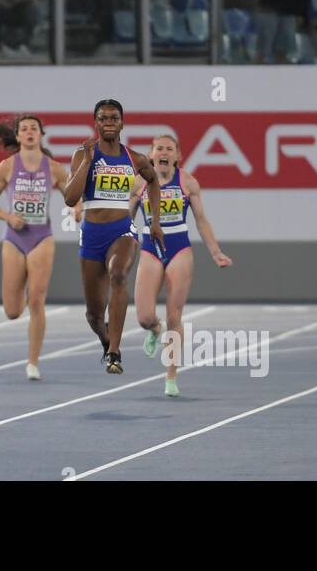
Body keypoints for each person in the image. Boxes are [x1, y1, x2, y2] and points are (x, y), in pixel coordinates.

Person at [62, 98, 161, 374]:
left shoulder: (134, 158)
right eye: (103, 118)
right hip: (92, 234)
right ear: (96, 123)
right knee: (94, 314)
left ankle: (115, 353)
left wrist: (154, 221)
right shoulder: (83, 154)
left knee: (118, 275)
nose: (108, 123)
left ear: (122, 123)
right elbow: (70, 199)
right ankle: (106, 340)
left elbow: (153, 181)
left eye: (113, 118)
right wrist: (88, 162)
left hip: (122, 230)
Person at [132, 135, 231, 397]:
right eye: (159, 148)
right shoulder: (139, 182)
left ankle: (171, 376)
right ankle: (155, 329)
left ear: (177, 156)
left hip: (179, 248)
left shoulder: (187, 182)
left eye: (169, 149)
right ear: (151, 155)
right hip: (150, 248)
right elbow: (125, 220)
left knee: (175, 316)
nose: (164, 153)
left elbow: (201, 220)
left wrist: (216, 252)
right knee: (143, 316)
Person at [0, 115, 70, 380]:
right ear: (18, 136)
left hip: (42, 237)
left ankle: (33, 362)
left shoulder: (54, 168)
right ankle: (17, 291)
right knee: (12, 311)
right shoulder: (7, 166)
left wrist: (76, 209)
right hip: (14, 238)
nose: (30, 132)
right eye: (24, 129)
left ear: (41, 135)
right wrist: (8, 217)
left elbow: (72, 196)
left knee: (37, 301)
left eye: (34, 129)